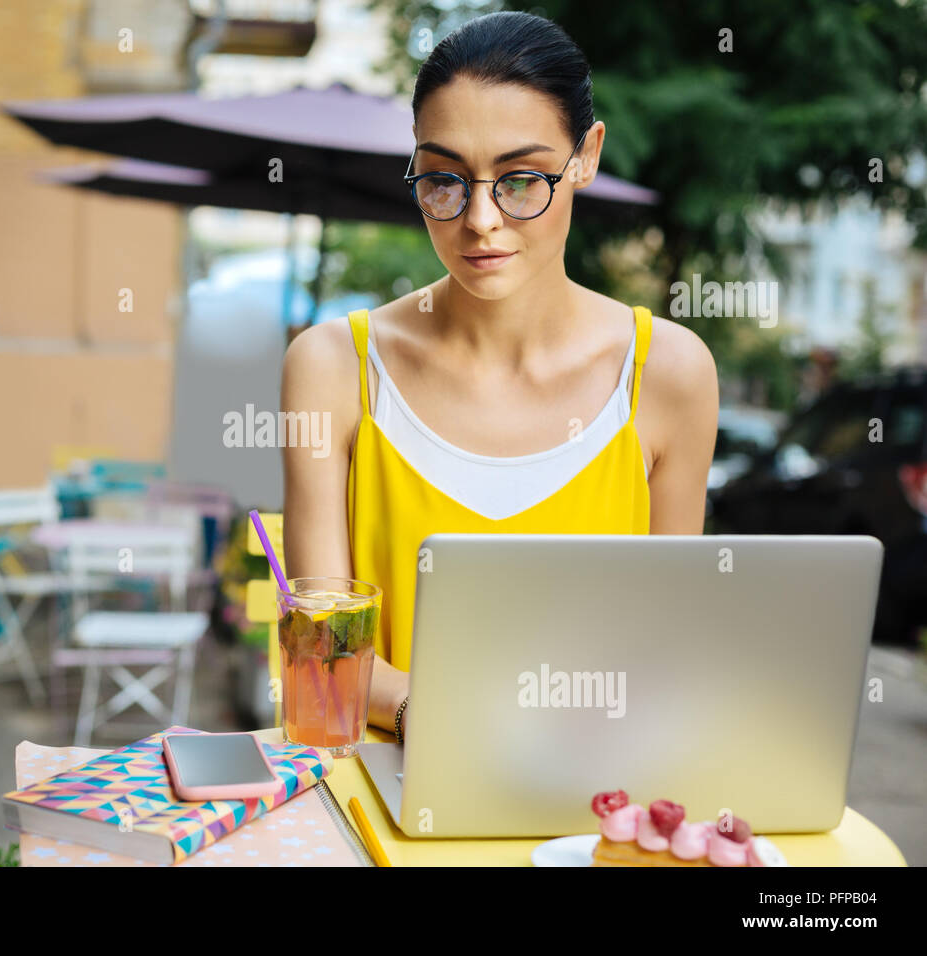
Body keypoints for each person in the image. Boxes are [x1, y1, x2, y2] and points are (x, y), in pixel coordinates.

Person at [279, 11, 719, 742]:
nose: (479, 219)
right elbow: (325, 660)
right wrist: (458, 725)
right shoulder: (332, 367)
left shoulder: (668, 374)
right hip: (386, 804)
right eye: (444, 179)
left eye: (520, 179)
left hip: (591, 803)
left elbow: (667, 650)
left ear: (586, 156)